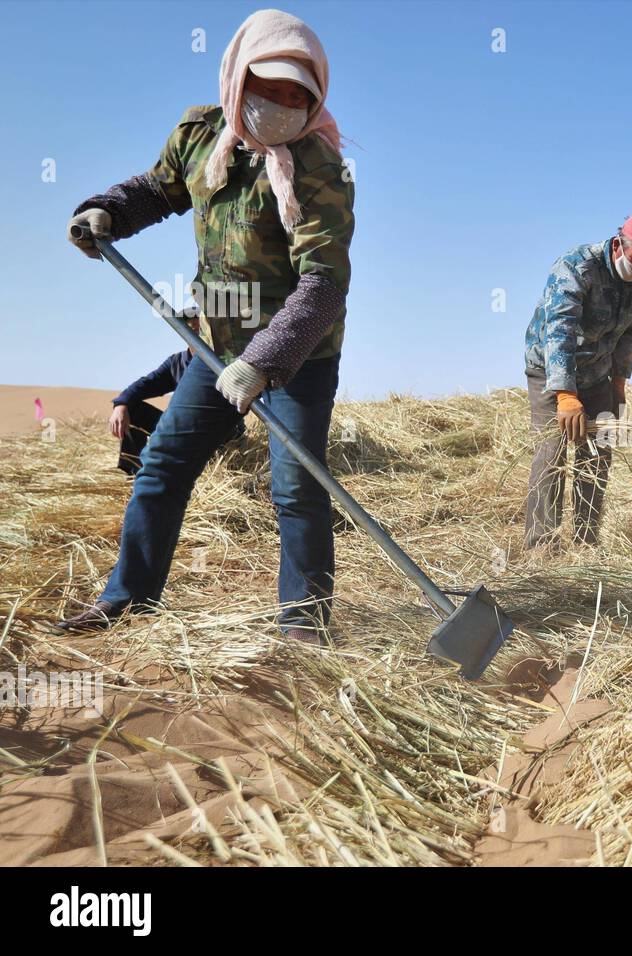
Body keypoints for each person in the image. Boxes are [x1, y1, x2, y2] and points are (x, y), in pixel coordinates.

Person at [59, 9, 354, 645]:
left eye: (296, 96)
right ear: (237, 78)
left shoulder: (319, 167)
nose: (280, 105)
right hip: (216, 344)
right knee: (163, 463)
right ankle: (129, 597)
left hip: (298, 354)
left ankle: (304, 628)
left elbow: (324, 282)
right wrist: (106, 212)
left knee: (296, 485)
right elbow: (157, 190)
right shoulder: (199, 136)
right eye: (268, 88)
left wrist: (269, 360)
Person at [522, 211, 632, 549]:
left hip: (599, 371)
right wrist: (565, 395)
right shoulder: (575, 267)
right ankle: (543, 548)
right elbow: (560, 330)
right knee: (552, 451)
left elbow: (630, 328)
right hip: (551, 369)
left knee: (598, 452)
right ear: (619, 244)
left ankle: (586, 542)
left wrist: (619, 382)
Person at [110, 320, 245, 476]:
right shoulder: (176, 363)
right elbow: (146, 384)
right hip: (181, 429)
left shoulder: (224, 362)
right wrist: (121, 404)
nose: (194, 330)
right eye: (189, 326)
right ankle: (135, 474)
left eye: (198, 326)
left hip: (217, 436)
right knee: (133, 409)